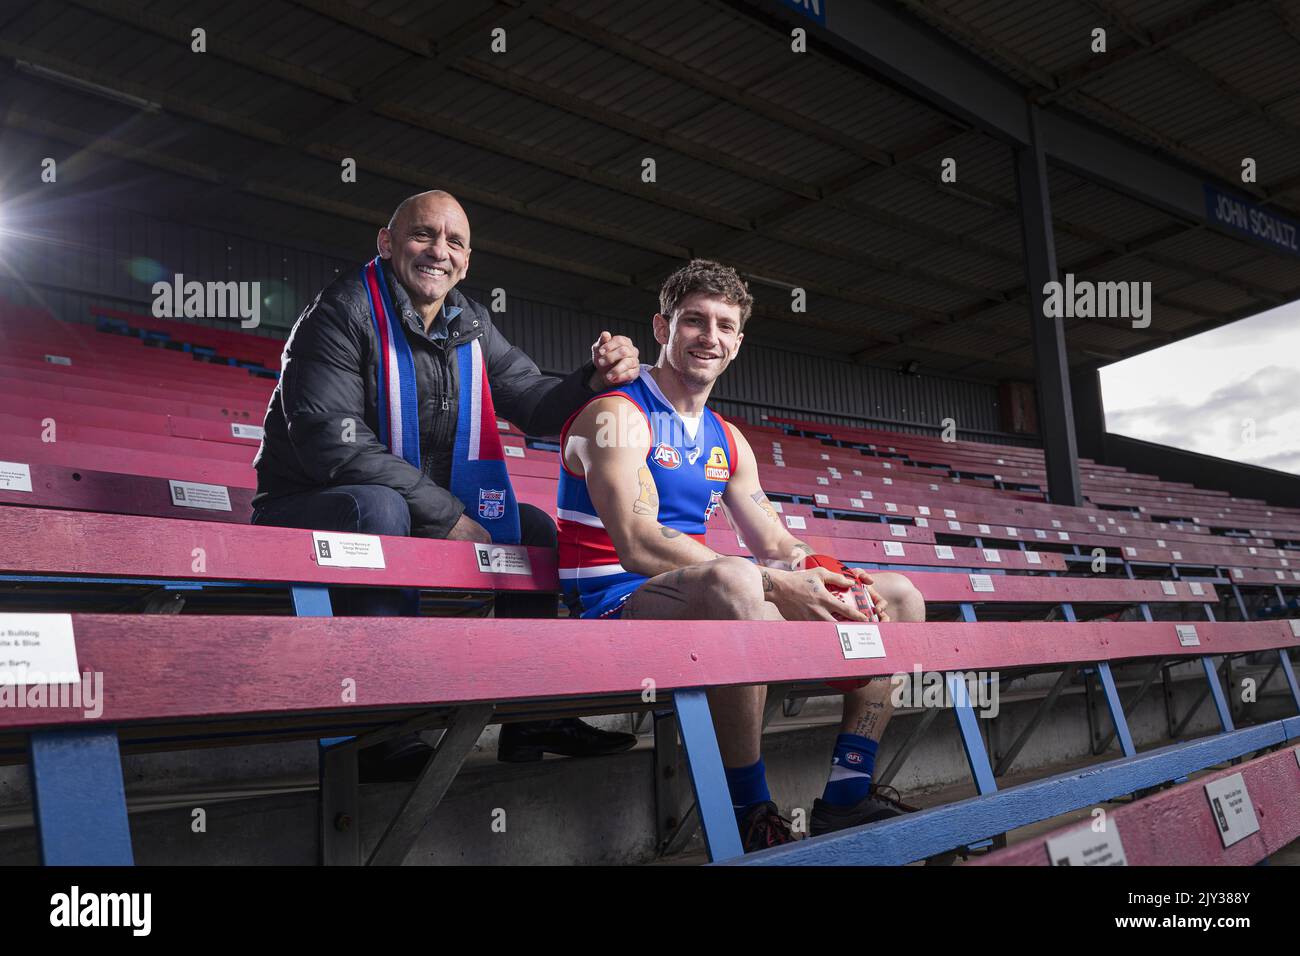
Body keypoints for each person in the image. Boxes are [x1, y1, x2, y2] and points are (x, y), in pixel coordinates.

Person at [252, 189, 638, 777]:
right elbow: (332, 439)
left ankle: (528, 718)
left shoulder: (470, 323)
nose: (438, 251)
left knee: (530, 529)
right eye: (422, 235)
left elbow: (533, 403)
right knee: (383, 511)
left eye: (454, 241)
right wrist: (445, 515)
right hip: (304, 506)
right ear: (386, 243)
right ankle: (377, 728)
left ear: (467, 259)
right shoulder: (343, 310)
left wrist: (591, 377)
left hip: (412, 505)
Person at [557, 259, 926, 851]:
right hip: (610, 606)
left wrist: (829, 579)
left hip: (710, 596)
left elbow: (777, 543)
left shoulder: (727, 439)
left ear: (738, 342)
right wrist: (778, 585)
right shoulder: (617, 416)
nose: (711, 337)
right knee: (738, 581)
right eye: (694, 321)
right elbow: (637, 541)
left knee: (900, 595)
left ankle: (847, 795)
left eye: (725, 326)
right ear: (662, 327)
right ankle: (750, 810)